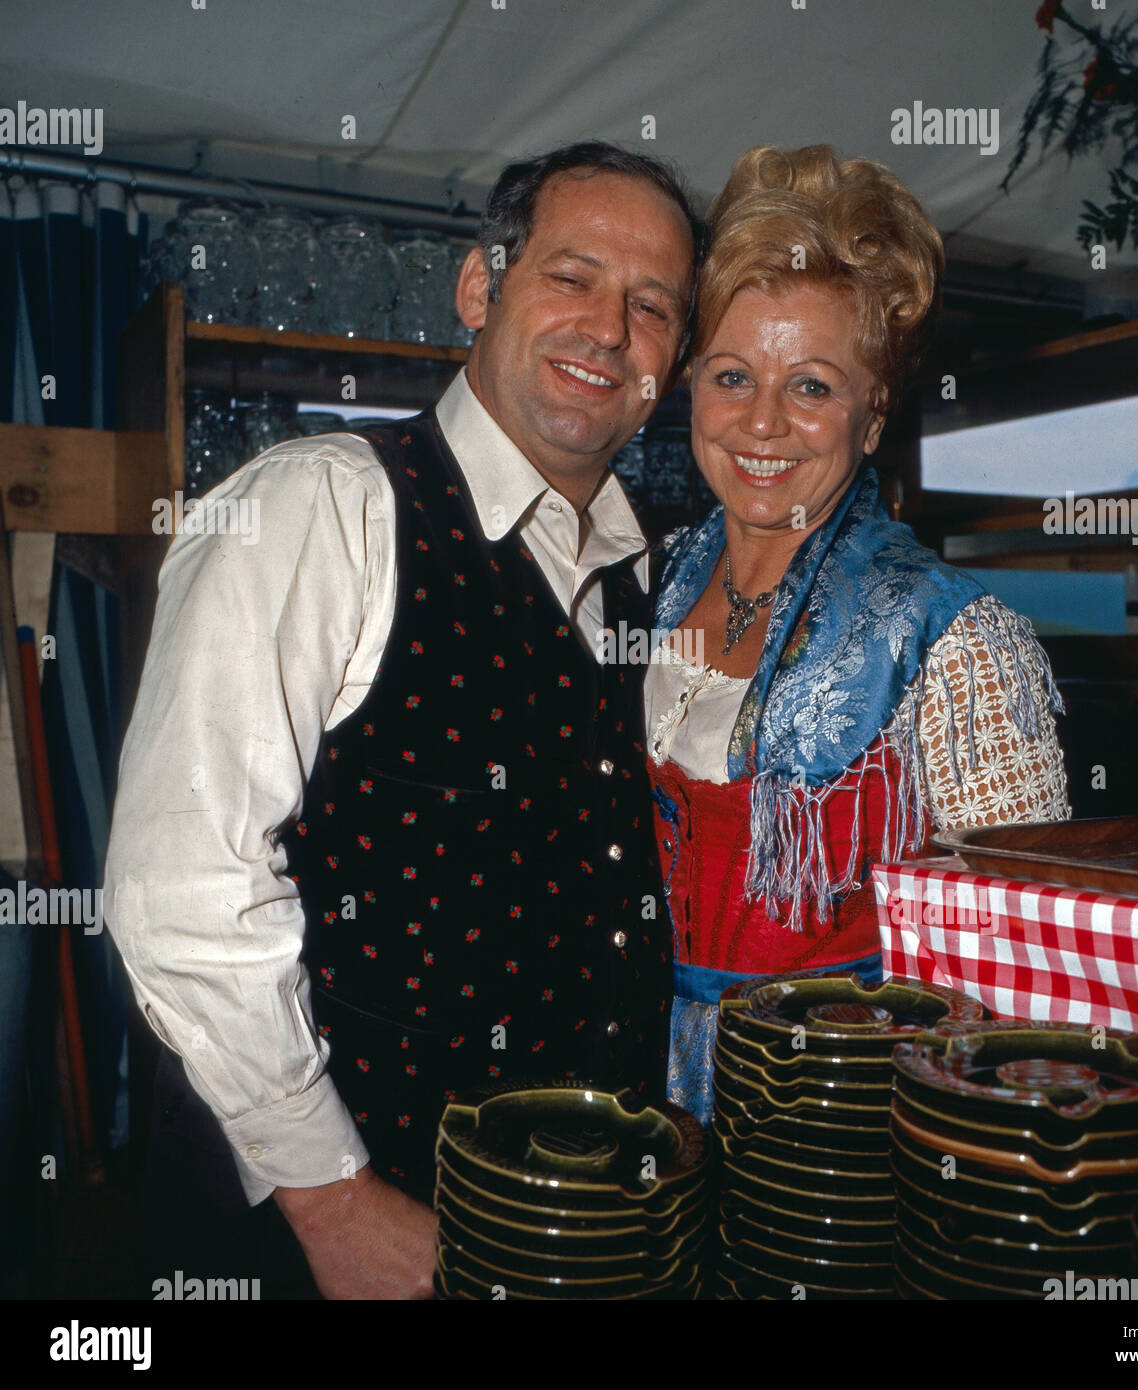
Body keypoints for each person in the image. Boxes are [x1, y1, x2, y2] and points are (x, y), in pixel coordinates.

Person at [103, 141, 704, 1299]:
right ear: (480, 289)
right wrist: (332, 1198)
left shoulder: (644, 580)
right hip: (318, 1240)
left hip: (551, 1233)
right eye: (569, 277)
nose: (606, 330)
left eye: (651, 307)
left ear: (670, 359)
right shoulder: (319, 504)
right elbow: (178, 889)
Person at [642, 146, 1072, 1121]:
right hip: (635, 1098)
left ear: (872, 415)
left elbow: (1016, 974)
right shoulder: (642, 586)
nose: (761, 423)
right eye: (731, 375)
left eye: (811, 386)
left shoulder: (956, 639)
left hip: (835, 1123)